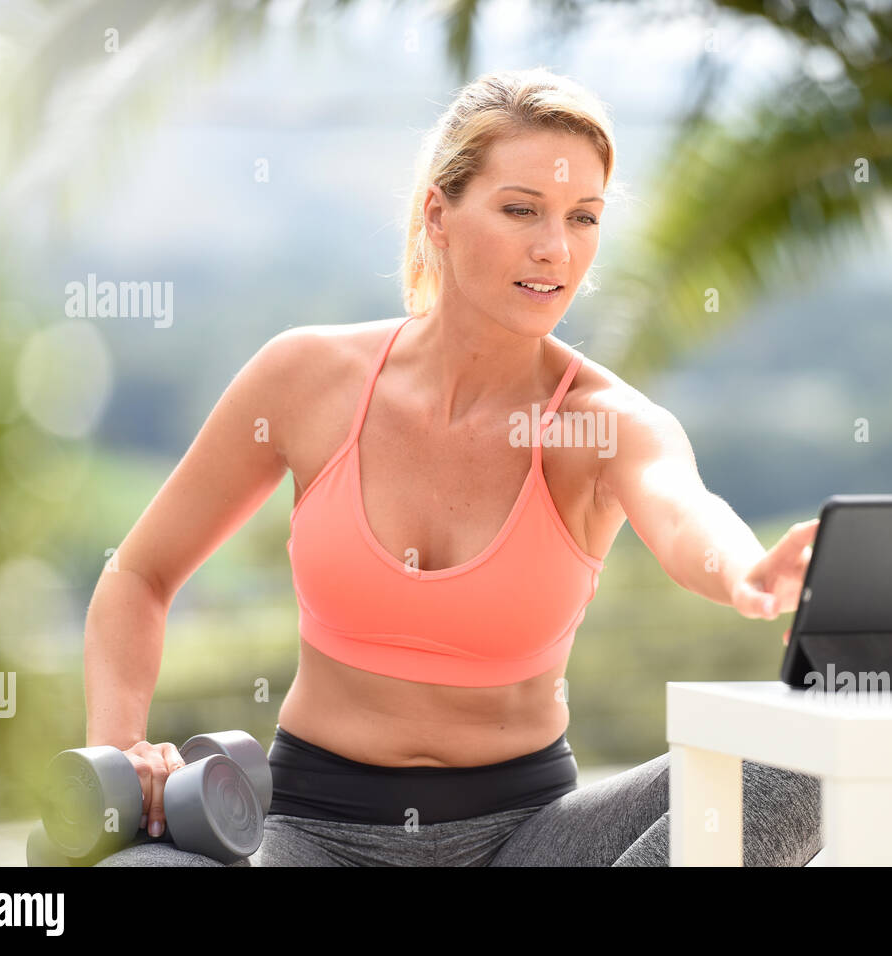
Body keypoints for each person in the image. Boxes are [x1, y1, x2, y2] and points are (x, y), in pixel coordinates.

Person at [88, 67, 822, 867]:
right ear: (439, 213)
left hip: (529, 840)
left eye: (584, 218)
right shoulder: (305, 380)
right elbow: (141, 574)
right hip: (310, 834)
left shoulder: (605, 423)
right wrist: (122, 753)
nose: (556, 249)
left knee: (803, 768)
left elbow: (683, 511)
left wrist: (749, 570)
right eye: (520, 211)